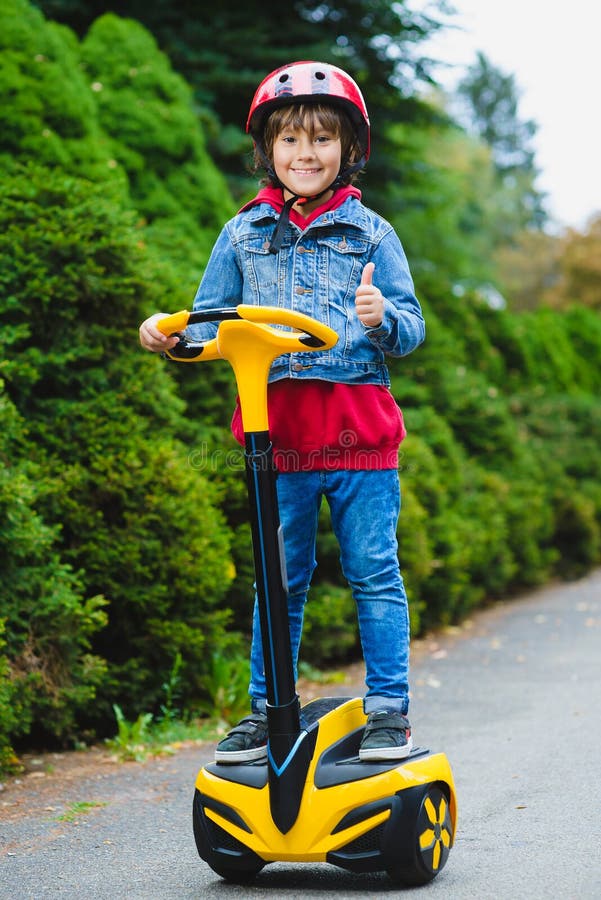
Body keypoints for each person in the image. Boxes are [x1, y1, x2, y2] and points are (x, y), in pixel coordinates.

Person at [139, 61, 425, 763]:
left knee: (372, 572)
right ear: (267, 148)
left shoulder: (372, 234)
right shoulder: (241, 234)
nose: (306, 153)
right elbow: (205, 323)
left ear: (348, 148)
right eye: (290, 139)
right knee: (278, 579)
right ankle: (268, 710)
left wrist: (381, 317)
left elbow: (412, 329)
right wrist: (167, 336)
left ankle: (389, 711)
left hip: (358, 434)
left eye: (322, 139)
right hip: (278, 437)